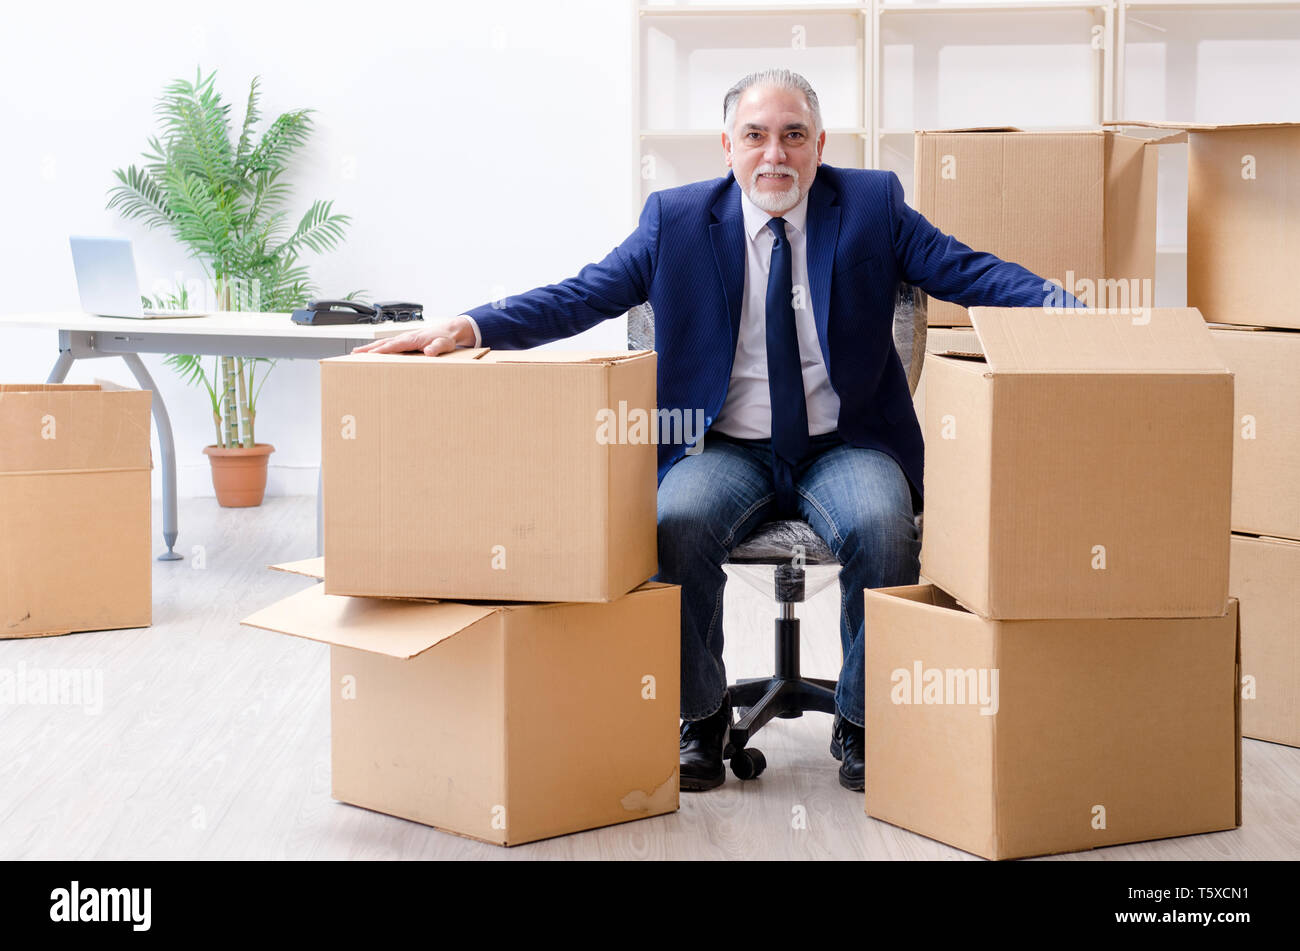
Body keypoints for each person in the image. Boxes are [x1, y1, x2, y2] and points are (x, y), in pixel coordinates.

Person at [355, 68, 1078, 793]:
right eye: (755, 136)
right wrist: (470, 325)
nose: (775, 154)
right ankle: (701, 717)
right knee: (675, 522)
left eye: (794, 136)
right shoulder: (674, 220)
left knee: (884, 527)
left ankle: (865, 721)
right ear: (727, 147)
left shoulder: (871, 204)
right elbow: (583, 294)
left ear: (820, 144)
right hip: (724, 444)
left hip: (845, 441)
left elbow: (966, 270)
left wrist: (1070, 311)